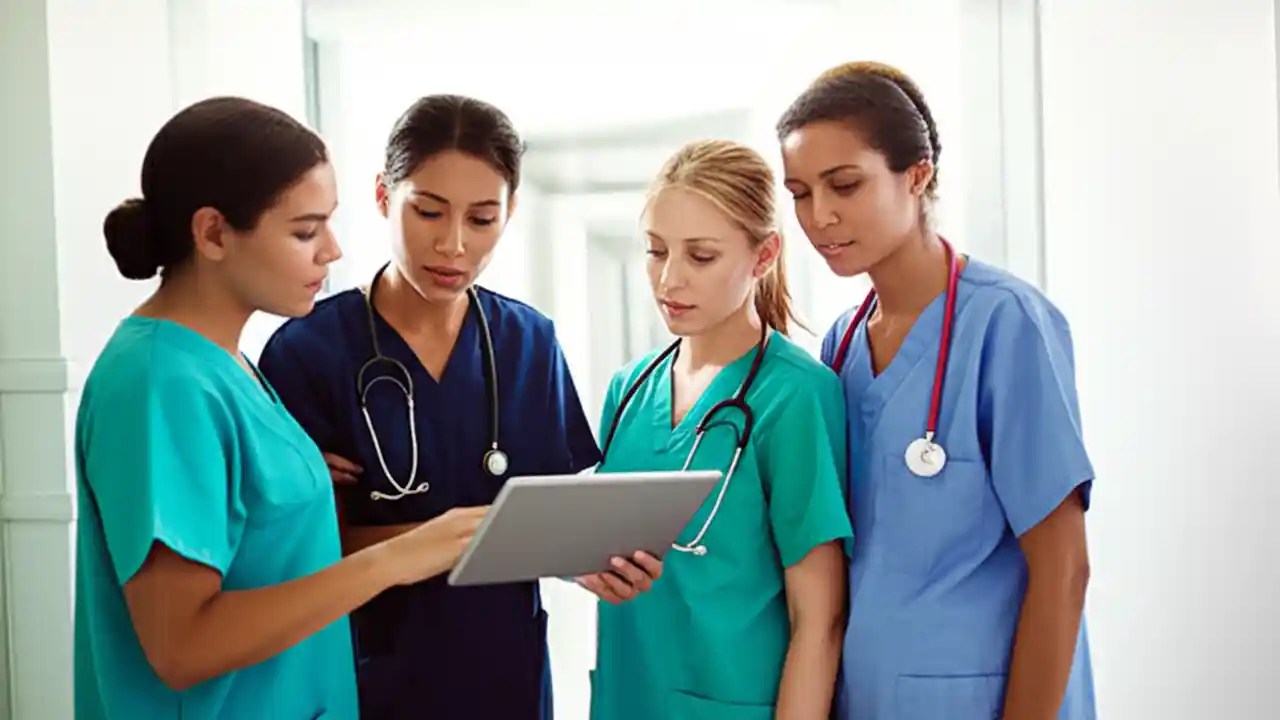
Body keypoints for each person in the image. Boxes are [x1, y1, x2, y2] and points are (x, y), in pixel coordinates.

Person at [74, 97, 489, 720]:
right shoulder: (160, 381)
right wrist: (394, 561)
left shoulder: (226, 363)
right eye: (304, 230)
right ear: (213, 233)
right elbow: (182, 645)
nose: (332, 252)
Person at [256, 94, 653, 719]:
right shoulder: (308, 352)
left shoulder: (528, 343)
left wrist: (595, 562)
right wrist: (470, 539)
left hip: (505, 674)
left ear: (510, 212)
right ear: (385, 197)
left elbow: (547, 524)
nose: (453, 245)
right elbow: (295, 553)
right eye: (429, 212)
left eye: (482, 218)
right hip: (366, 676)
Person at [776, 61, 1096, 720]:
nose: (820, 217)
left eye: (844, 185)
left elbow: (1064, 572)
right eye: (801, 193)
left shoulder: (1006, 325)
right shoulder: (840, 346)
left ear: (917, 175)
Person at [587, 139, 854, 719]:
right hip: (627, 696)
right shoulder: (627, 390)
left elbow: (821, 619)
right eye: (656, 252)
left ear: (764, 257)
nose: (669, 279)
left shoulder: (794, 396)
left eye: (700, 257)